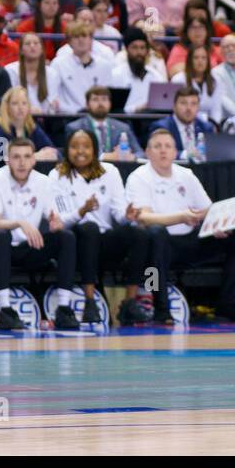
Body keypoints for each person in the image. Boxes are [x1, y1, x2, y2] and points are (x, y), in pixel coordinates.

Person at [125, 128, 235, 323]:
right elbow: (144, 218)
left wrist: (216, 224)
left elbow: (207, 209)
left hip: (190, 240)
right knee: (156, 233)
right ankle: (162, 310)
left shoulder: (186, 174)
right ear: (148, 152)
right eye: (157, 146)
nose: (163, 151)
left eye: (168, 146)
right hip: (160, 247)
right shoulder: (139, 177)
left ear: (175, 152)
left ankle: (228, 304)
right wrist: (181, 217)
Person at [51, 129, 158, 326]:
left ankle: (129, 303)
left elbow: (118, 213)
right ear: (67, 150)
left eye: (86, 147)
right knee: (89, 228)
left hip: (105, 242)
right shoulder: (57, 175)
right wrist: (82, 211)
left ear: (95, 150)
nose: (80, 151)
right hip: (76, 244)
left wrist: (127, 216)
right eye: (75, 147)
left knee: (139, 233)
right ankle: (90, 302)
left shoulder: (110, 172)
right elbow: (60, 222)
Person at [0, 137, 79, 331]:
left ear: (34, 160)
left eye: (27, 157)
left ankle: (63, 308)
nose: (22, 162)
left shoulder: (43, 182)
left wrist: (55, 224)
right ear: (8, 160)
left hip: (28, 247)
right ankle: (5, 310)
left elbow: (54, 218)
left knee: (66, 237)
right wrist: (19, 223)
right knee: (2, 235)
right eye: (16, 157)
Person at [0, 87, 58, 177]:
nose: (20, 107)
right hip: (1, 175)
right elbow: (2, 157)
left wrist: (45, 155)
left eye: (24, 103)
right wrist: (36, 156)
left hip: (30, 175)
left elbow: (53, 152)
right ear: (7, 107)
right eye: (15, 103)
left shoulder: (31, 127)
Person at [50, 21, 116, 114]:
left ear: (91, 40)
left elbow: (109, 96)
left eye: (84, 36)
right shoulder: (58, 64)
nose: (81, 40)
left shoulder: (105, 65)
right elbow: (54, 97)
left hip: (97, 115)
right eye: (76, 37)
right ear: (69, 42)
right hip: (68, 116)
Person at [65, 86, 145, 160]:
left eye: (104, 99)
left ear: (110, 103)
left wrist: (132, 157)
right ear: (87, 104)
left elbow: (141, 153)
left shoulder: (123, 127)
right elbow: (70, 155)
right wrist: (104, 156)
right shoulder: (75, 128)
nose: (100, 103)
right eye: (95, 99)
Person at [150, 87, 216, 162]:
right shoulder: (162, 127)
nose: (189, 108)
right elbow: (159, 154)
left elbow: (212, 154)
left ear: (198, 107)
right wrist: (186, 154)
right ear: (174, 106)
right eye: (183, 103)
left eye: (193, 104)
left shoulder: (206, 127)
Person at [110, 27, 166, 113]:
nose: (139, 52)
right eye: (134, 48)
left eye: (142, 48)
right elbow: (114, 109)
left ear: (147, 51)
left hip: (150, 119)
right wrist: (136, 109)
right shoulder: (116, 75)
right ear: (127, 50)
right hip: (126, 121)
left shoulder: (156, 76)